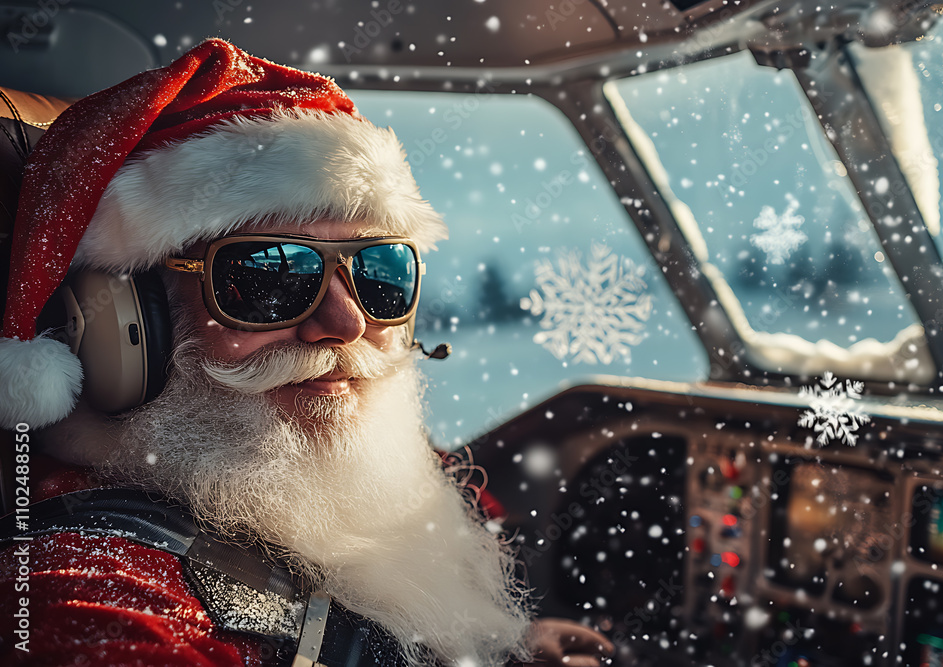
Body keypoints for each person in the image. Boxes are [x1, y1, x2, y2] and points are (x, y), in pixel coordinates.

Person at [0, 39, 613, 666]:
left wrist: (512, 649)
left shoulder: (378, 464)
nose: (345, 323)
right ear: (129, 319)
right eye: (270, 276)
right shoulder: (94, 582)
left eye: (379, 270)